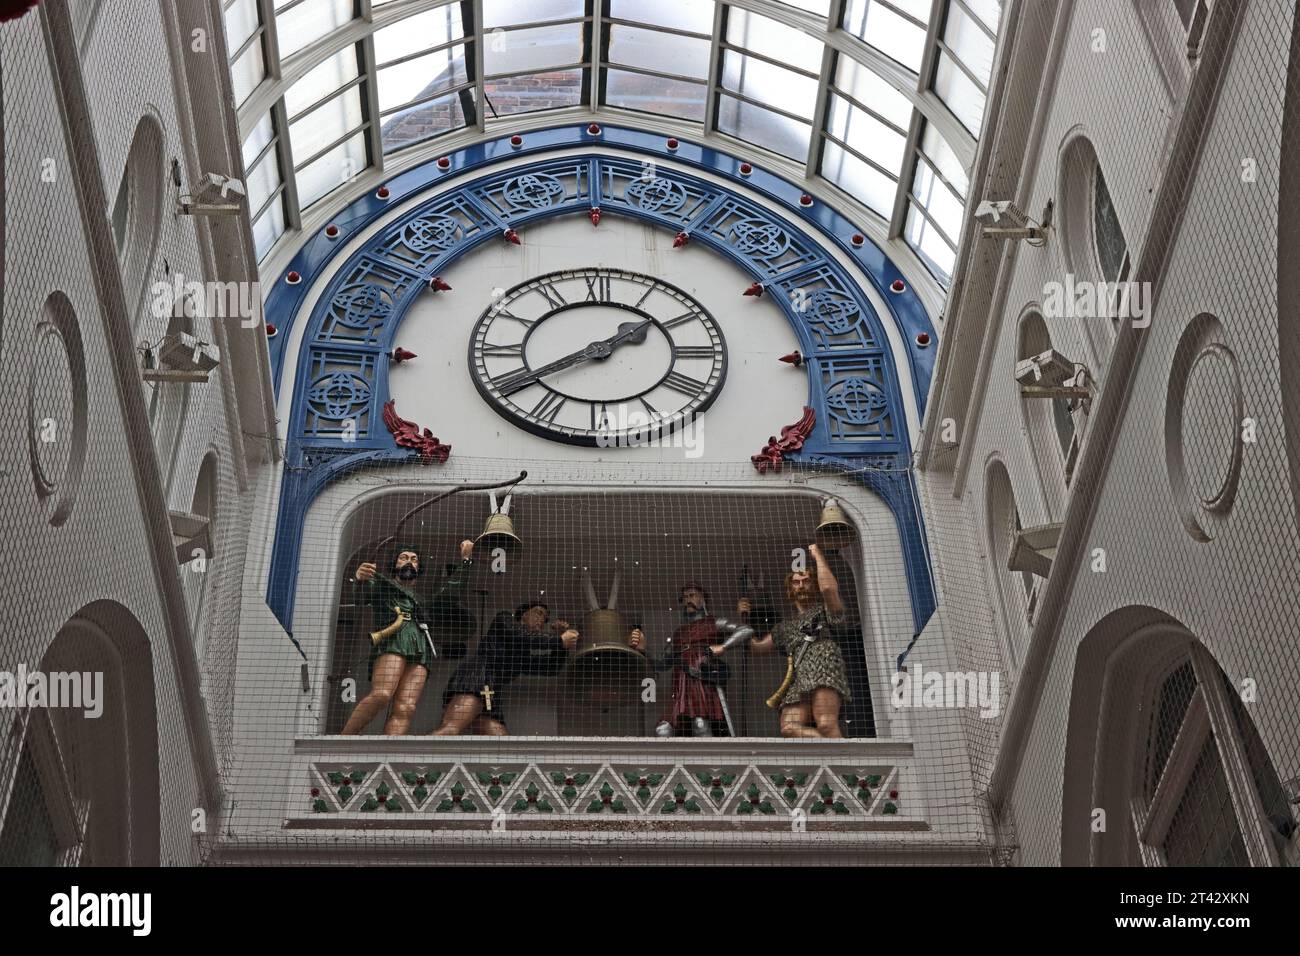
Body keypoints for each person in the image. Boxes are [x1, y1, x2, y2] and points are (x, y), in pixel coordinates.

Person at [341, 539, 474, 735]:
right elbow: (361, 598)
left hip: (420, 646)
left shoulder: (422, 601)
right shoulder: (382, 587)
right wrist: (360, 579)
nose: (409, 562)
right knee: (382, 694)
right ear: (394, 564)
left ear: (419, 567)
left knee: (406, 707)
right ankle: (345, 738)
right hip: (393, 641)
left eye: (414, 559)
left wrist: (466, 561)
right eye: (403, 558)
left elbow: (450, 593)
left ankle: (389, 751)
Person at [749, 543, 851, 738]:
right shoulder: (784, 627)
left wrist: (817, 556)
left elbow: (829, 589)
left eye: (807, 581)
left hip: (824, 668)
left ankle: (843, 762)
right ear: (790, 589)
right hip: (799, 677)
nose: (802, 585)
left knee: (826, 725)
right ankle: (828, 751)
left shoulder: (824, 611)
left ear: (814, 585)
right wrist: (742, 620)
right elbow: (756, 647)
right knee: (788, 727)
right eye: (796, 582)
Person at [433, 600, 579, 735]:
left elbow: (551, 667)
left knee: (500, 743)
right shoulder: (505, 619)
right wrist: (559, 640)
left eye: (545, 619)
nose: (542, 620)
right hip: (477, 678)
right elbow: (522, 637)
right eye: (538, 612)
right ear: (523, 613)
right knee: (451, 728)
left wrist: (561, 644)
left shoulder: (522, 656)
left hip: (491, 691)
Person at [648, 583, 751, 737]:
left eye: (692, 595)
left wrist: (723, 646)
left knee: (700, 724)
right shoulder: (679, 633)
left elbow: (745, 630)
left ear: (703, 599)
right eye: (685, 597)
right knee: (663, 730)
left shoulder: (713, 623)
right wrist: (643, 649)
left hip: (701, 679)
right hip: (681, 685)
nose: (688, 600)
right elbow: (662, 663)